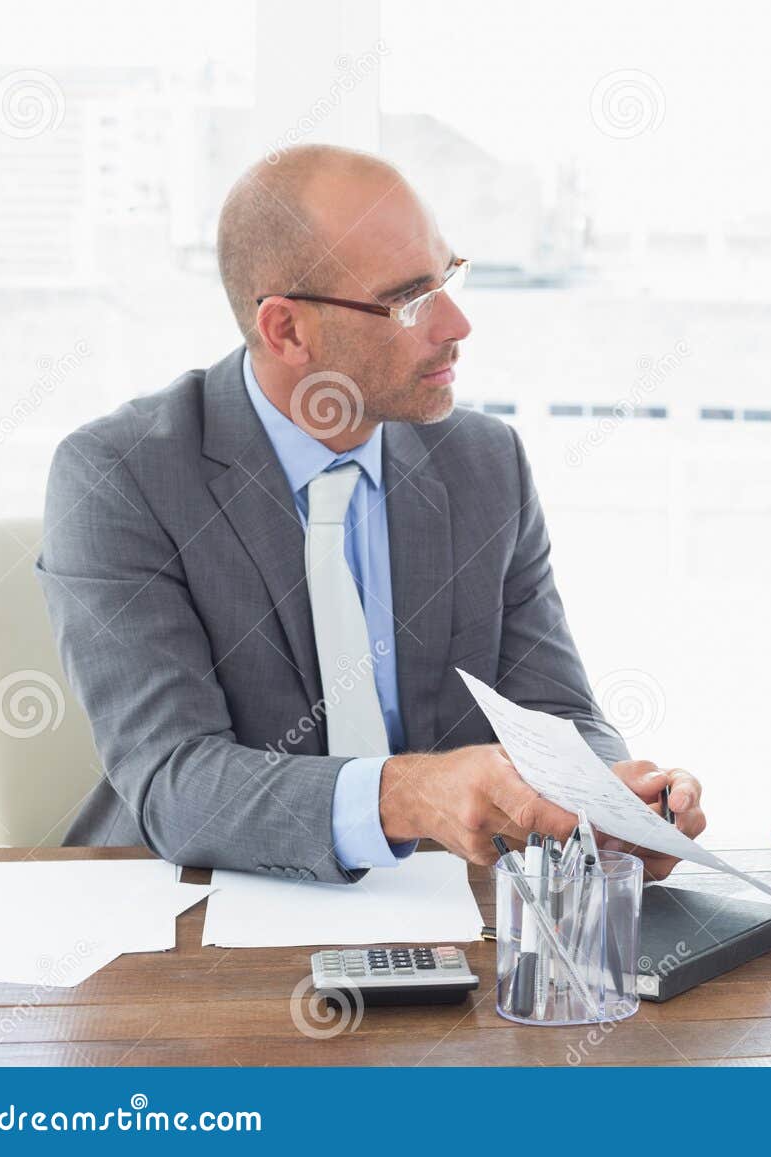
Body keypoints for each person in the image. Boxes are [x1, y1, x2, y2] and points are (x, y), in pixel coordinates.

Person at [38, 145, 705, 884]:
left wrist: (612, 796)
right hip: (180, 914)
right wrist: (410, 795)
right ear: (287, 330)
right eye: (411, 299)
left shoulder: (486, 464)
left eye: (450, 275)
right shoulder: (120, 476)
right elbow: (176, 780)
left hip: (441, 909)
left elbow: (552, 708)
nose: (457, 322)